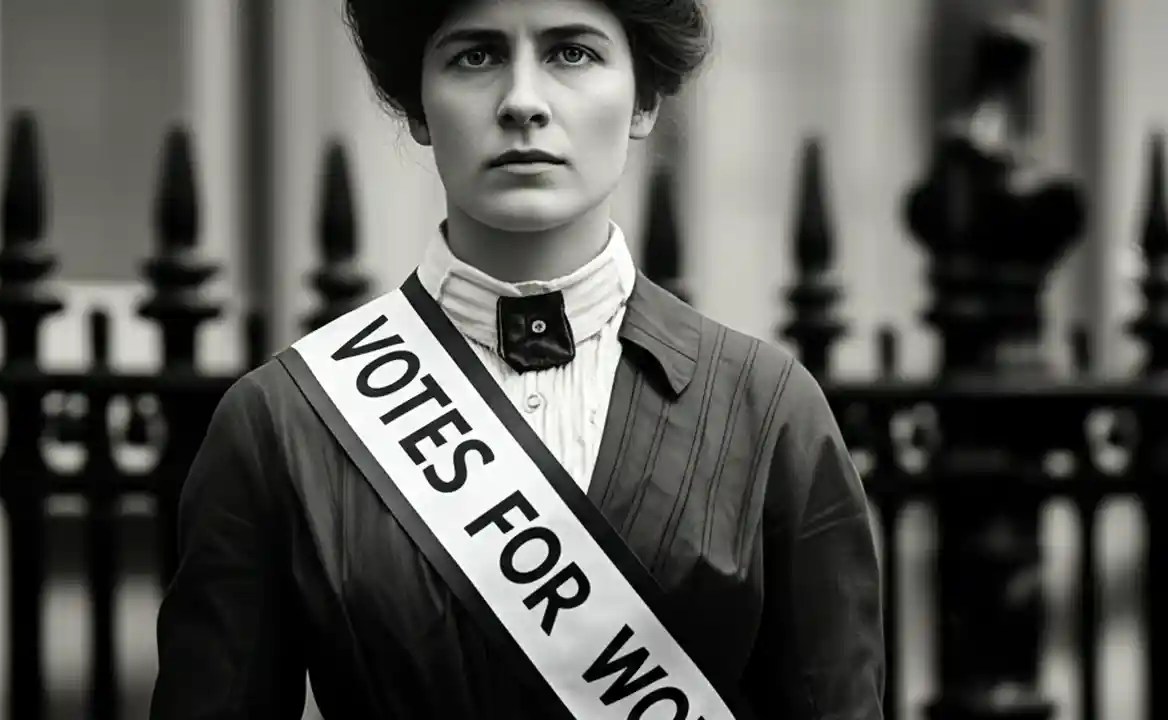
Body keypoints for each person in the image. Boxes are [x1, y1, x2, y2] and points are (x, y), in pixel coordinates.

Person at [150, 0, 885, 718]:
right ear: (416, 106)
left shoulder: (768, 412)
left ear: (644, 99)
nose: (522, 101)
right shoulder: (282, 423)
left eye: (573, 52)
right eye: (477, 55)